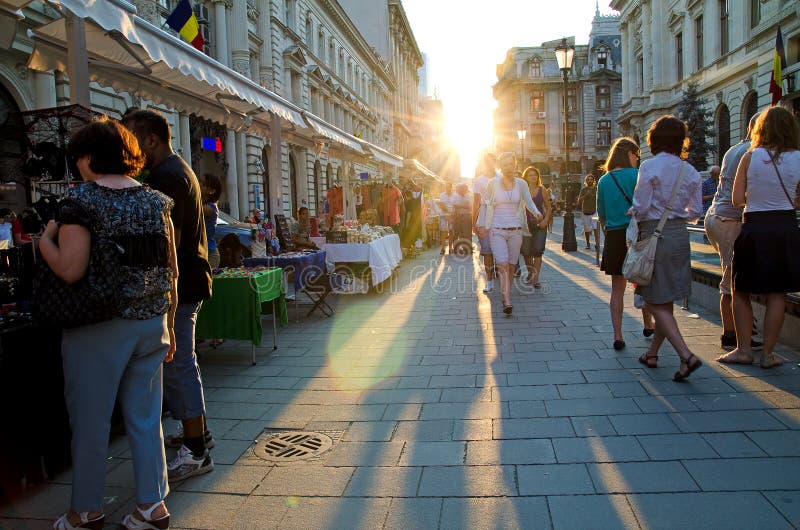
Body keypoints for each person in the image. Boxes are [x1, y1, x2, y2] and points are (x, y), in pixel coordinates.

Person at [42, 119, 177, 530]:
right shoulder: (157, 201)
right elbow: (171, 269)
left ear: (88, 157)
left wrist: (44, 241)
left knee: (91, 419)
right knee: (144, 417)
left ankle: (85, 510)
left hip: (99, 326)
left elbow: (70, 268)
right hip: (151, 322)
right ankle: (152, 507)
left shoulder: (80, 202)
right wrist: (168, 323)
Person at [122, 110, 214, 482]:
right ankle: (198, 435)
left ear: (151, 141)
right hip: (191, 279)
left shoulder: (165, 177)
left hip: (181, 283)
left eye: (131, 139)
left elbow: (169, 243)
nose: (128, 147)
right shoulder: (180, 169)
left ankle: (196, 451)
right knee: (183, 363)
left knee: (178, 365)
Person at [720, 106, 800, 368]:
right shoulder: (799, 158)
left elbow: (736, 199)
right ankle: (768, 354)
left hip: (755, 227)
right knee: (777, 293)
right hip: (785, 227)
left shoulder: (750, 157)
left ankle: (743, 349)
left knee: (740, 289)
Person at [629, 115, 703, 381]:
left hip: (654, 235)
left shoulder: (649, 167)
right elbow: (695, 211)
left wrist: (634, 212)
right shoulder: (691, 171)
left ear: (654, 139)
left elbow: (641, 206)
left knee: (651, 297)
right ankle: (652, 353)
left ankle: (686, 355)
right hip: (679, 236)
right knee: (666, 299)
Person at [705, 113, 762, 352]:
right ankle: (732, 335)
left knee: (734, 275)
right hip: (729, 219)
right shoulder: (753, 152)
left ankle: (744, 329)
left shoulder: (734, 149)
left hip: (716, 217)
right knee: (733, 282)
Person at [597, 137, 655, 350]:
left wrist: (610, 229)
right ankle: (648, 324)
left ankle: (618, 335)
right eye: (636, 154)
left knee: (617, 289)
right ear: (629, 153)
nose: (637, 158)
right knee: (643, 280)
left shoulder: (604, 180)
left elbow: (601, 214)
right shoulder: (637, 175)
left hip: (614, 236)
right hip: (638, 234)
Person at [476, 152, 542, 315]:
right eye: (505, 164)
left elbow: (528, 201)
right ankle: (507, 300)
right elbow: (485, 205)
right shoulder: (493, 184)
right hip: (497, 229)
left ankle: (506, 293)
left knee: (512, 265)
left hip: (516, 230)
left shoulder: (521, 184)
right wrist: (481, 224)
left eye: (511, 164)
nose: (508, 167)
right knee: (503, 264)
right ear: (501, 166)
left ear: (515, 165)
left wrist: (536, 212)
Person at [520, 166, 550, 288]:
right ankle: (530, 272)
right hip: (525, 224)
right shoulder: (522, 190)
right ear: (525, 177)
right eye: (530, 175)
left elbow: (549, 207)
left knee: (538, 250)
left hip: (540, 224)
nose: (533, 177)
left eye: (535, 175)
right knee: (526, 252)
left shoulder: (541, 189)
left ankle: (536, 278)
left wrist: (546, 220)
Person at [473, 153, 496, 292]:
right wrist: (473, 222)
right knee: (487, 251)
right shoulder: (479, 181)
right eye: (486, 161)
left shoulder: (501, 178)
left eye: (491, 161)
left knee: (500, 253)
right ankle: (489, 280)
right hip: (483, 219)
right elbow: (475, 202)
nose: (489, 164)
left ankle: (500, 274)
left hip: (500, 219)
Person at [202, 174, 222, 269]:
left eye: (203, 184)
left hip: (210, 254)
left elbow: (192, 209)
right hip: (205, 252)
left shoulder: (209, 208)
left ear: (212, 191)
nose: (199, 184)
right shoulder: (205, 204)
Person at [577, 174, 599, 250]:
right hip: (585, 212)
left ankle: (597, 244)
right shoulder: (583, 190)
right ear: (586, 181)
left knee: (596, 228)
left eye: (591, 179)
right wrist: (586, 195)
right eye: (588, 180)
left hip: (594, 212)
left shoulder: (596, 189)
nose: (590, 181)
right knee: (587, 230)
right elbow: (579, 200)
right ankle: (588, 244)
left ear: (593, 181)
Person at [439, 181, 456, 254]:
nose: (447, 188)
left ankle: (450, 248)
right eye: (446, 187)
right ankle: (442, 248)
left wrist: (453, 215)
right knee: (443, 231)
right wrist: (449, 212)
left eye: (448, 187)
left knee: (451, 231)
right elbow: (441, 205)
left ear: (451, 187)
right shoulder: (442, 195)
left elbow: (455, 206)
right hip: (443, 215)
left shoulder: (455, 195)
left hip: (452, 216)